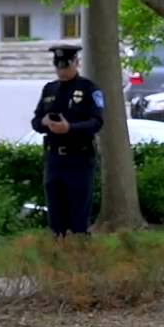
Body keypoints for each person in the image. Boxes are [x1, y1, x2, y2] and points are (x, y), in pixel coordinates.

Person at [30, 43, 104, 236]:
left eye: (65, 66)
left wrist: (70, 128)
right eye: (58, 66)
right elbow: (35, 122)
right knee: (55, 210)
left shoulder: (89, 89)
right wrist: (44, 122)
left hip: (78, 158)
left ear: (76, 63)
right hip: (54, 159)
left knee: (78, 210)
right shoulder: (50, 89)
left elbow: (96, 122)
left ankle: (79, 249)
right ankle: (58, 244)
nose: (61, 71)